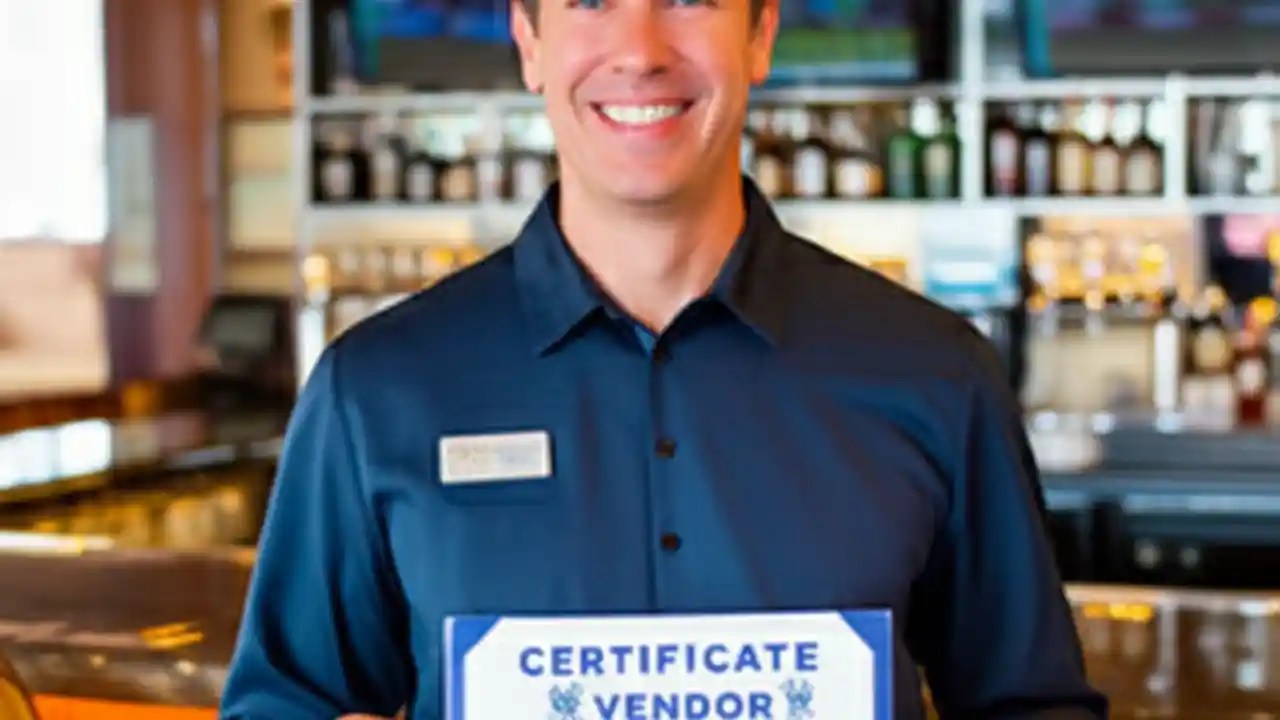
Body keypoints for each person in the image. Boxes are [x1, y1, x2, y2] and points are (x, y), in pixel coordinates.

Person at [219, 0, 1108, 717]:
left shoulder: (935, 373)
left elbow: (1030, 705)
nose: (640, 51)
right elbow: (287, 704)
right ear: (529, 40)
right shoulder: (377, 389)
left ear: (760, 33)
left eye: (689, 0)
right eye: (590, 3)